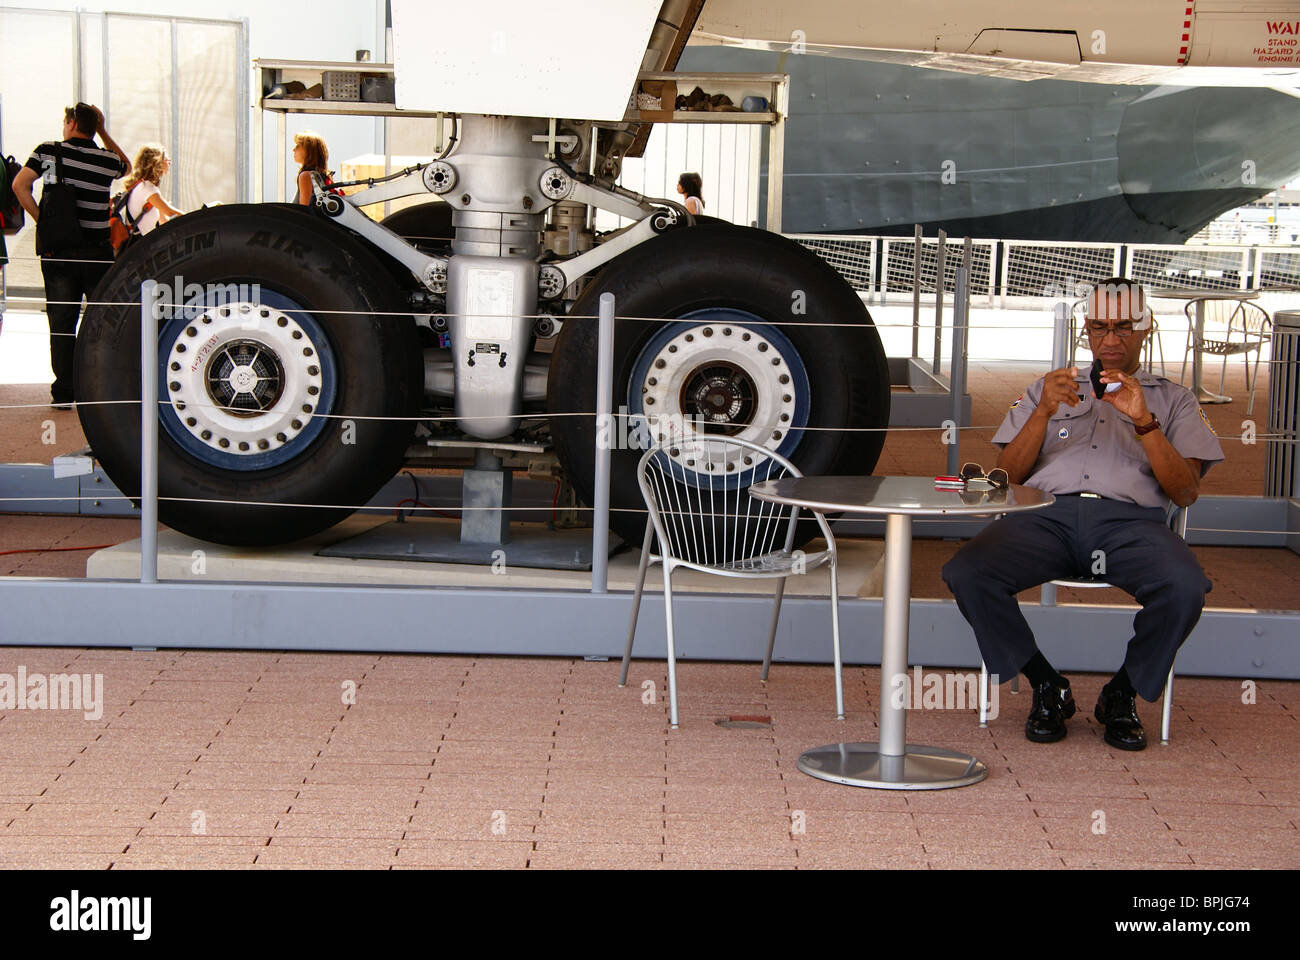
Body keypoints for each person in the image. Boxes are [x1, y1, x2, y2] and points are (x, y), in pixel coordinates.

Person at [941, 278, 1224, 751]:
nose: (1110, 340)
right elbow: (1004, 478)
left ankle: (1122, 693)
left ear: (1146, 330)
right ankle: (1046, 684)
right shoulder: (1046, 389)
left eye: (1123, 328)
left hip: (1130, 524)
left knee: (1185, 587)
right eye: (1098, 327)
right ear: (1085, 331)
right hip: (1043, 518)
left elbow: (1186, 492)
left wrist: (1144, 422)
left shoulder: (1175, 399)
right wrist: (1042, 413)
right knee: (967, 571)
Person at [10, 103, 129, 409]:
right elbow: (126, 166)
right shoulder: (106, 160)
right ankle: (104, 387)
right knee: (105, 320)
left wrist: (45, 223)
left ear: (72, 123)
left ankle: (64, 393)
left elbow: (20, 185)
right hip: (97, 252)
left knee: (62, 323)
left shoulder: (47, 151)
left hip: (58, 251)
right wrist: (102, 129)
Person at [120, 144, 182, 246]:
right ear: (157, 163)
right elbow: (170, 212)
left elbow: (164, 220)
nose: (169, 163)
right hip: (143, 247)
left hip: (140, 245)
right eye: (167, 160)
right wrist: (196, 220)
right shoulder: (147, 188)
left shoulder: (140, 186)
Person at [292, 131, 333, 205]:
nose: (293, 149)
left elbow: (304, 210)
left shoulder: (306, 176)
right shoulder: (322, 174)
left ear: (309, 151)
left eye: (297, 146)